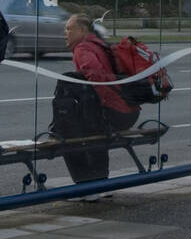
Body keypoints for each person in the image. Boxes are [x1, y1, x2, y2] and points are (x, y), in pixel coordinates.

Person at [50, 14, 139, 184]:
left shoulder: (83, 49)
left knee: (67, 136)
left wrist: (101, 110)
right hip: (129, 111)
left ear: (82, 30)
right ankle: (99, 183)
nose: (65, 32)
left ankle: (84, 185)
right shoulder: (100, 44)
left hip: (114, 112)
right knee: (93, 130)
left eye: (69, 29)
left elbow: (98, 78)